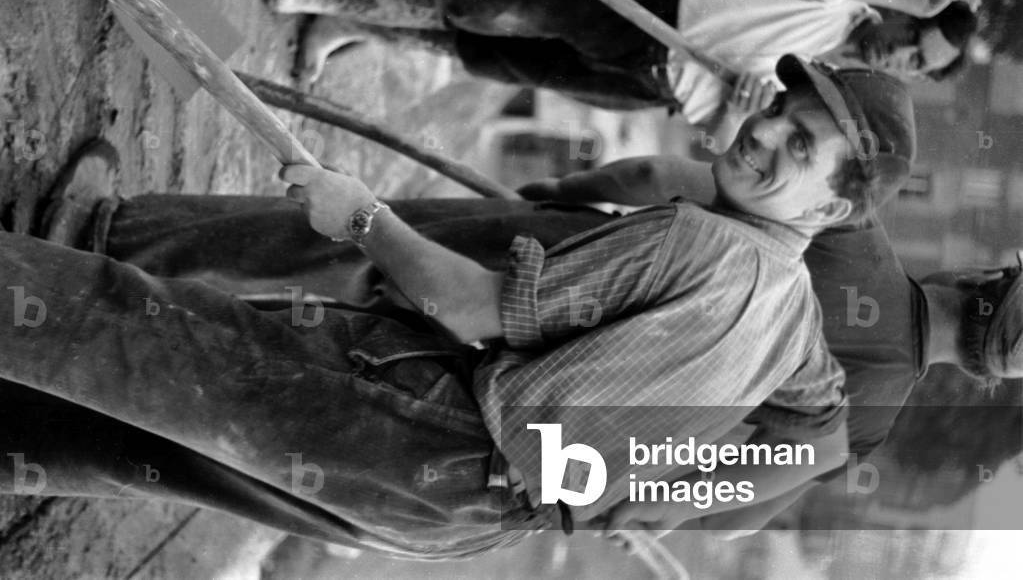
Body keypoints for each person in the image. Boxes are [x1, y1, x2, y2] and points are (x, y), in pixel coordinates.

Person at [0, 56, 910, 554]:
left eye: (798, 145)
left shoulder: (698, 239)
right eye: (779, 112)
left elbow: (470, 310)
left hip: (416, 419)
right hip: (465, 521)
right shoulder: (797, 329)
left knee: (122, 328)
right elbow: (817, 434)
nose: (762, 133)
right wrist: (643, 500)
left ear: (832, 209)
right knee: (159, 442)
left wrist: (359, 215)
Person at [514, 146, 1023, 534]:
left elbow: (656, 177)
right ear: (981, 371)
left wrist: (560, 189)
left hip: (555, 266)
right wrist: (654, 504)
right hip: (568, 412)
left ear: (976, 278)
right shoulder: (864, 426)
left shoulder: (851, 227)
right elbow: (736, 520)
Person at [263, 0, 979, 151]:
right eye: (914, 44)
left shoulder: (826, 94)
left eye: (919, 69)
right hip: (652, 9)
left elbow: (725, 145)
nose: (903, 62)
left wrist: (735, 113)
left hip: (648, 87)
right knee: (493, 4)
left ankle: (345, 28)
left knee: (483, 55)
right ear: (902, 18)